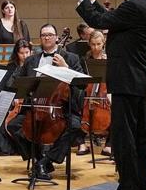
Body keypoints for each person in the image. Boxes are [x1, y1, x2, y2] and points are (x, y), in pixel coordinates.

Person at [71, 0, 146, 190]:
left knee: (123, 136)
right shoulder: (144, 3)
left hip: (127, 80)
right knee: (138, 136)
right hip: (136, 80)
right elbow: (110, 21)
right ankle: (144, 186)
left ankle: (129, 189)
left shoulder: (135, 5)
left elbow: (99, 20)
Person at [5, 24, 87, 181]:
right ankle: (39, 159)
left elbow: (82, 84)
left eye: (50, 34)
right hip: (35, 107)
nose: (47, 37)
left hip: (61, 109)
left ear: (56, 37)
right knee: (13, 125)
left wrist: (66, 68)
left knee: (75, 126)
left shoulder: (71, 58)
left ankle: (46, 161)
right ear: (40, 38)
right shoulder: (31, 60)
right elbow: (15, 81)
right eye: (44, 35)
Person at [0, 39, 34, 157]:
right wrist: (12, 96)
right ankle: (6, 148)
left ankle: (20, 147)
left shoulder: (33, 66)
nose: (25, 56)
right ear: (16, 53)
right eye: (21, 53)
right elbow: (7, 84)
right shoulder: (11, 66)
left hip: (27, 101)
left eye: (27, 52)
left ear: (31, 52)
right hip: (12, 100)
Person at [77, 30, 111, 156]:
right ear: (89, 44)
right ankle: (81, 143)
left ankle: (109, 145)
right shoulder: (84, 60)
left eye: (98, 44)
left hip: (105, 94)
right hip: (88, 94)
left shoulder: (109, 59)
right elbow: (80, 79)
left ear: (103, 43)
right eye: (93, 44)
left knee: (118, 112)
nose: (96, 47)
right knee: (75, 112)